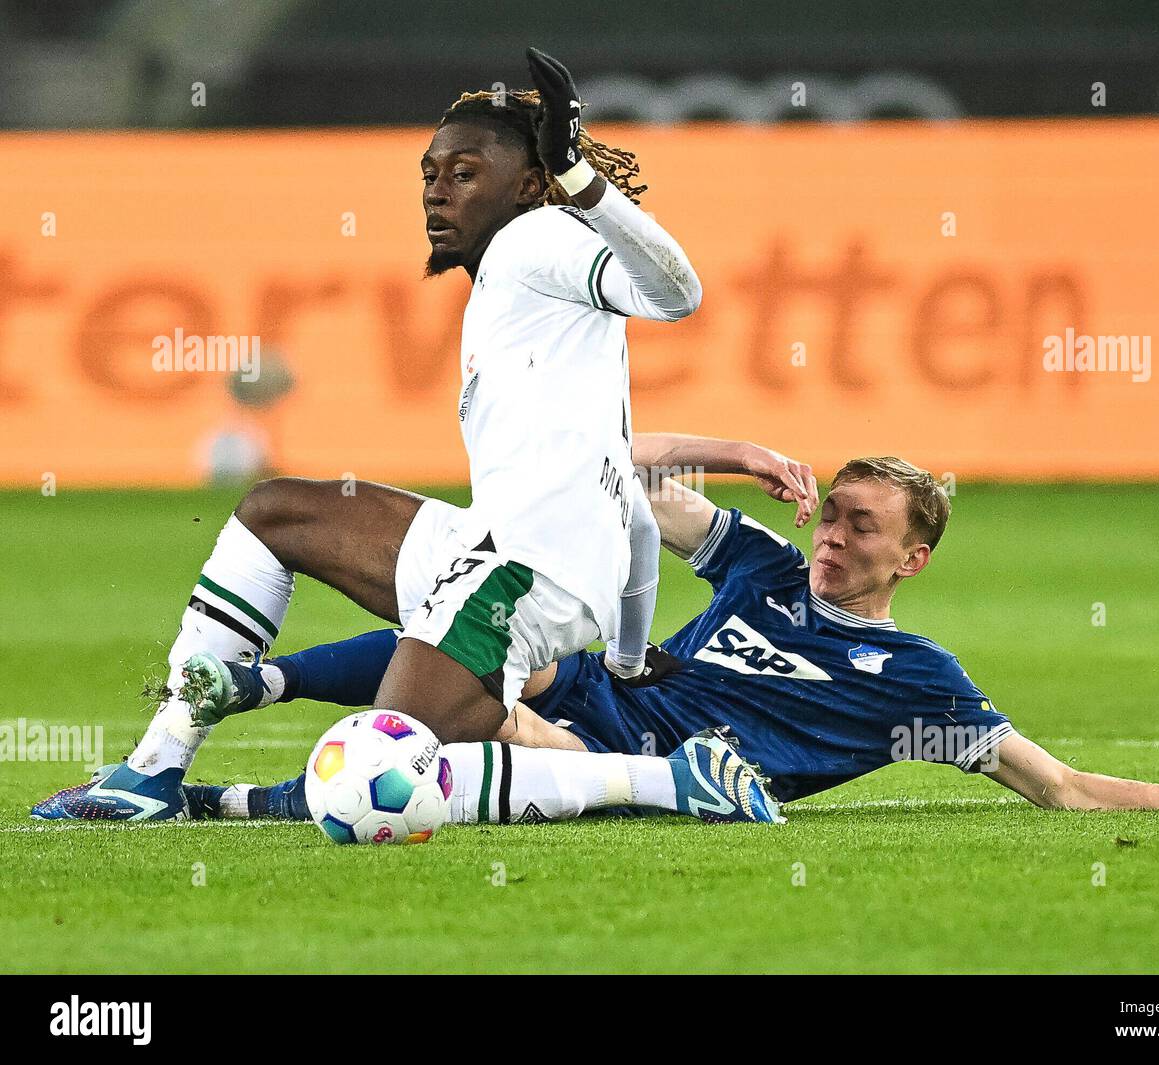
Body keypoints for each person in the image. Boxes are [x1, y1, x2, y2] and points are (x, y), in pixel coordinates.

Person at [32, 48, 710, 822]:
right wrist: (625, 653)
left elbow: (679, 291)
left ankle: (667, 783)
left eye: (463, 173)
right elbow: (628, 498)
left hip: (523, 574)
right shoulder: (523, 291)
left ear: (528, 183)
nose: (436, 191)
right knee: (276, 512)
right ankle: (151, 771)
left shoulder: (542, 238)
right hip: (496, 551)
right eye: (429, 173)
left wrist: (578, 176)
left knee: (385, 764)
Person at [175, 432, 1159, 825]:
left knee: (484, 722)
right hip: (602, 695)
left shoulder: (913, 682)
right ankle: (263, 690)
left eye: (861, 527)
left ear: (913, 559)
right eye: (831, 513)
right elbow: (618, 472)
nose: (833, 537)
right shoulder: (762, 565)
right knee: (503, 626)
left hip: (638, 762)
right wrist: (741, 455)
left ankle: (227, 802)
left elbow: (1057, 786)